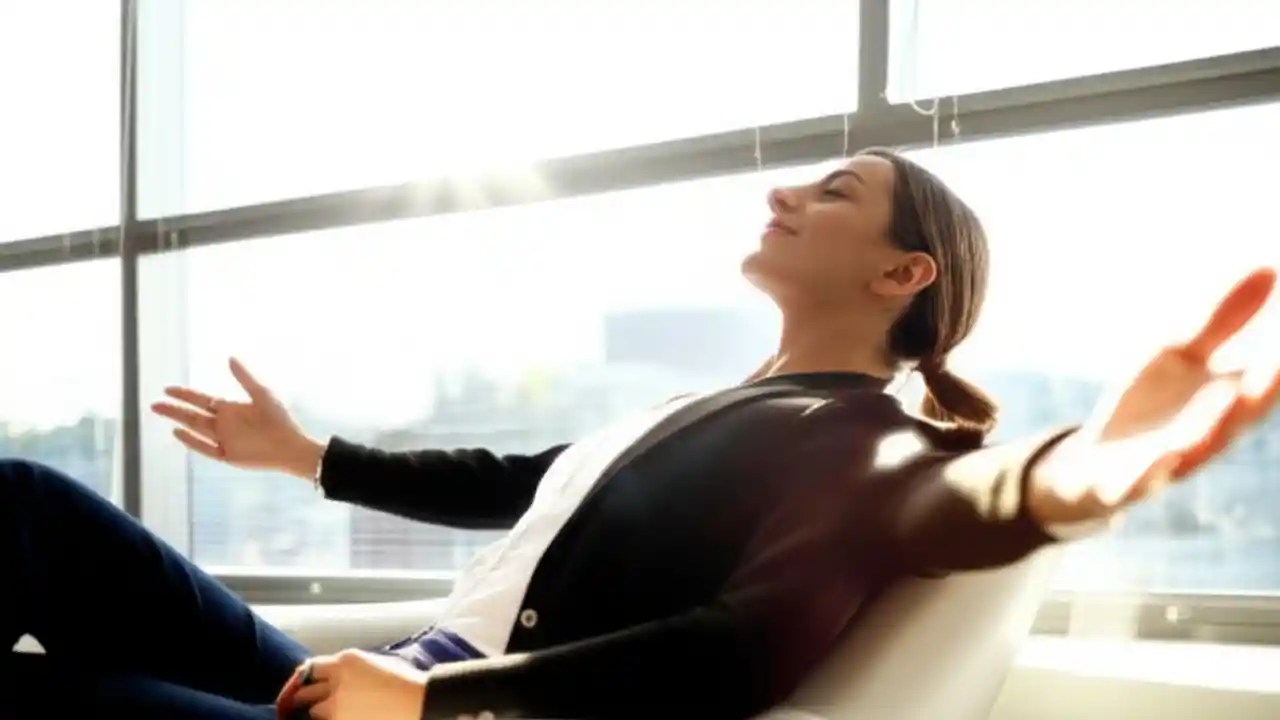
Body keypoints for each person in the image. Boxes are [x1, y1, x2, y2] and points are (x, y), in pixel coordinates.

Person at [2, 148, 1276, 720]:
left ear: (903, 274)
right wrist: (306, 457)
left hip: (426, 717)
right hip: (372, 681)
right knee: (25, 502)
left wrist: (1073, 476)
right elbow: (518, 484)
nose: (783, 189)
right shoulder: (703, 411)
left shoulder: (859, 440)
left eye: (834, 191)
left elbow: (748, 646)